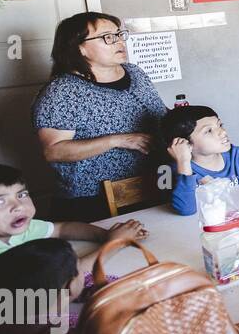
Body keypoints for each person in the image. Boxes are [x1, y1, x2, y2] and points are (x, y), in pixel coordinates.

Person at [32, 12, 168, 221]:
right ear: (80, 47)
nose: (119, 41)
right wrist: (117, 140)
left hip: (151, 183)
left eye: (119, 34)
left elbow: (159, 114)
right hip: (93, 200)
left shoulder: (135, 73)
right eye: (108, 37)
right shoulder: (62, 91)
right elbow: (54, 151)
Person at [0, 163, 146, 287]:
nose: (19, 206)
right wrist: (115, 243)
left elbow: (63, 228)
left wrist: (105, 235)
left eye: (21, 195)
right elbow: (66, 278)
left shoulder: (7, 228)